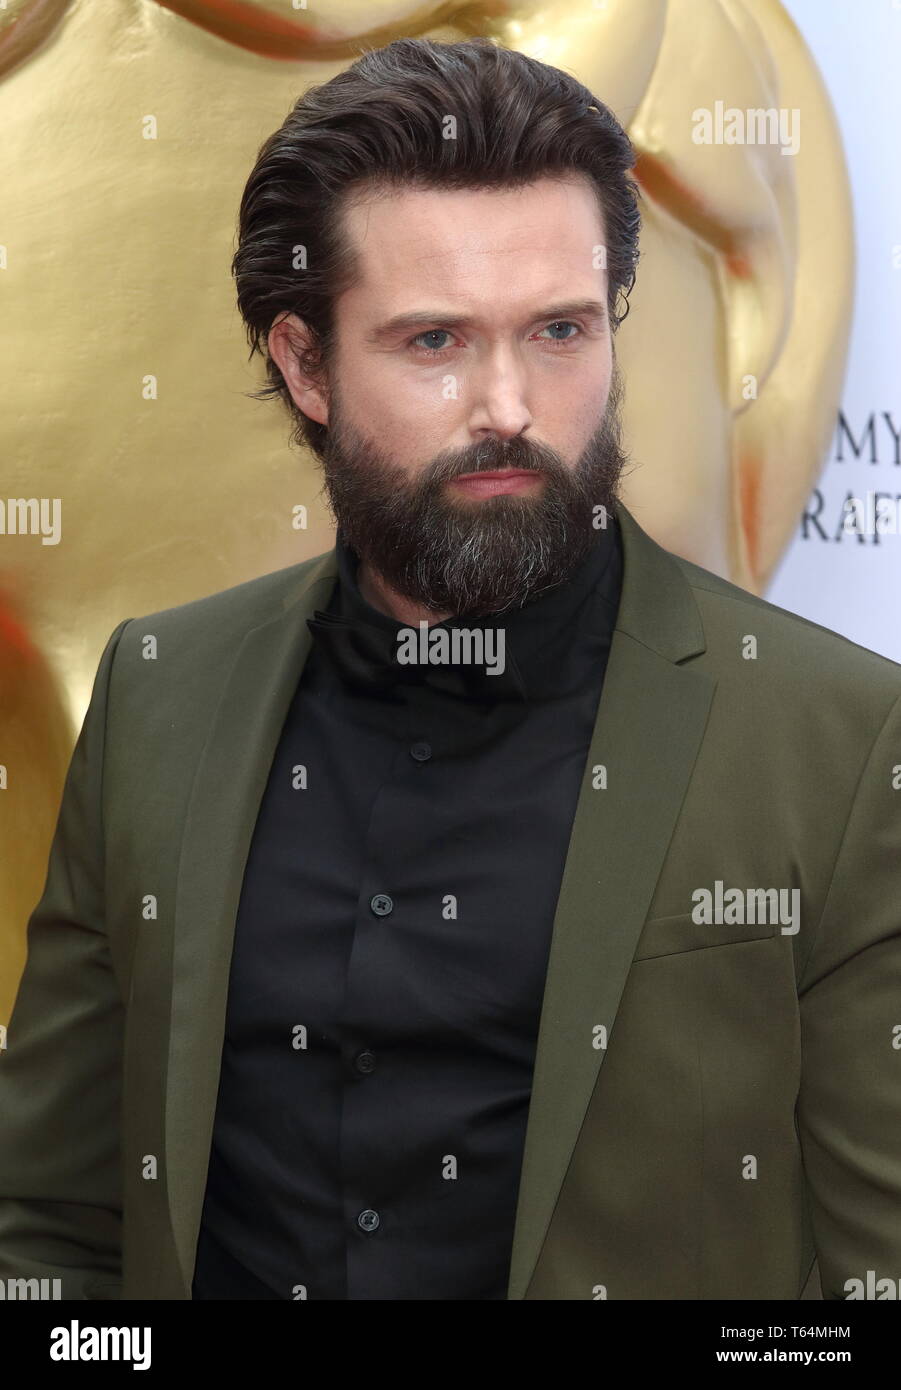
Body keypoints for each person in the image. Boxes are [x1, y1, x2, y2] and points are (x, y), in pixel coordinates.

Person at [1, 35, 899, 1302]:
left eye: (559, 331)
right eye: (434, 342)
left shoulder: (837, 739)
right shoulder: (165, 693)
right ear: (304, 364)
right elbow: (49, 1221)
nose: (510, 404)